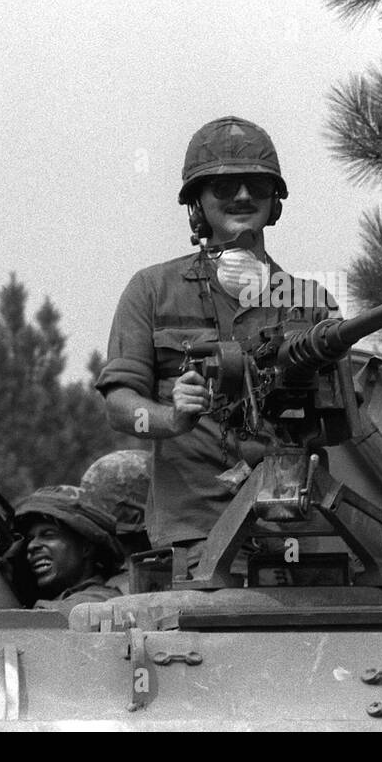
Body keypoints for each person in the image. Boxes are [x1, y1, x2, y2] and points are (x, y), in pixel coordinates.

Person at [96, 116, 336, 558]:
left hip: (294, 528)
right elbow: (118, 406)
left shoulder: (309, 302)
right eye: (224, 188)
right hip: (195, 535)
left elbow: (341, 423)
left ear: (275, 202)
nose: (243, 196)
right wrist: (172, 418)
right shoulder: (152, 290)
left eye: (256, 186)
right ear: (197, 205)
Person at [0, 477, 126, 610]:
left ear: (86, 546)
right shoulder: (54, 600)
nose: (33, 546)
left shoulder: (95, 602)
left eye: (48, 534)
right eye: (30, 538)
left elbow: (7, 630)